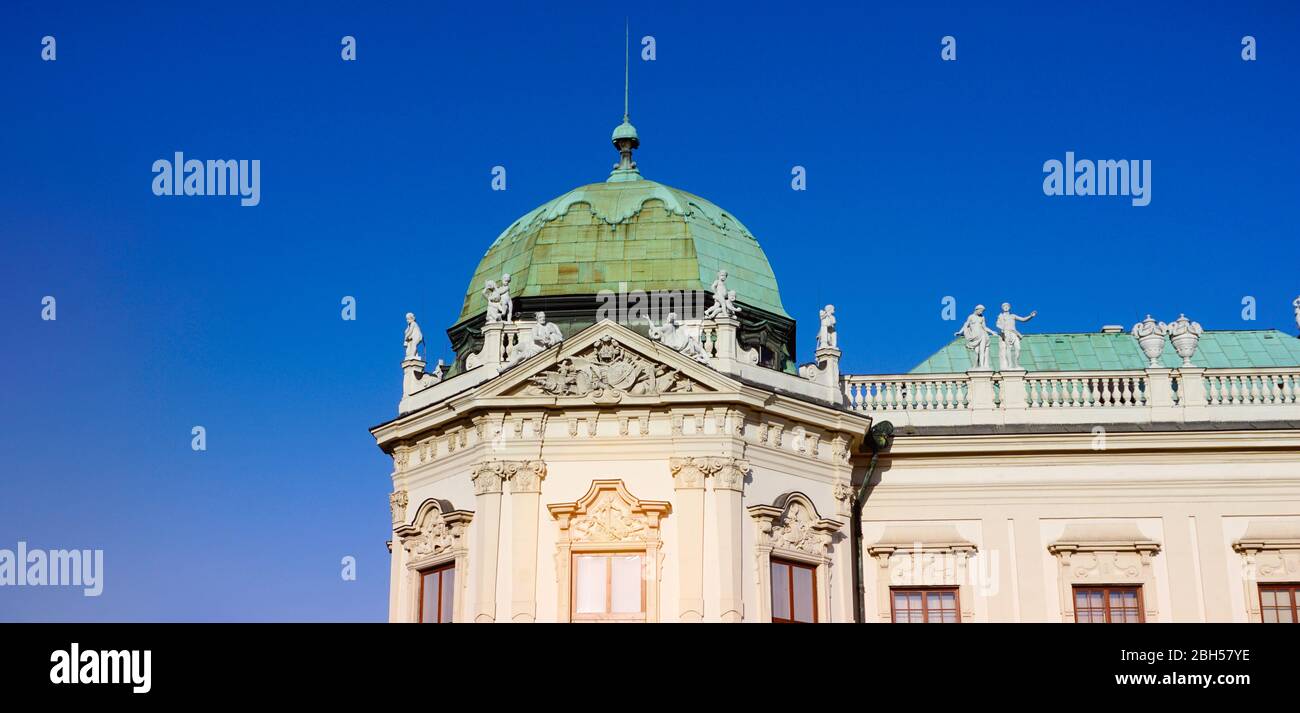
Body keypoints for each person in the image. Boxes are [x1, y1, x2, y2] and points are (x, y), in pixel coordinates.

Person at [996, 303, 1037, 369]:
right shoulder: (1001, 316)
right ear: (1002, 308)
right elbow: (998, 325)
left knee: (1018, 348)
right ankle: (1010, 365)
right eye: (1004, 306)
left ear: (1009, 307)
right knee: (1008, 349)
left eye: (1007, 306)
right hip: (1007, 333)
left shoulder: (1013, 316)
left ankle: (1016, 364)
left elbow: (1023, 319)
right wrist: (1002, 330)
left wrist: (1031, 316)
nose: (1006, 307)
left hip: (1014, 333)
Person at [957, 305, 997, 369]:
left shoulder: (982, 317)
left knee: (982, 351)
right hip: (975, 336)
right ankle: (976, 365)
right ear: (977, 309)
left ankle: (982, 366)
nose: (981, 312)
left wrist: (992, 332)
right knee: (976, 351)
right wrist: (960, 332)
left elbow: (984, 327)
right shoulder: (971, 317)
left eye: (982, 311)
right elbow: (966, 325)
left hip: (982, 334)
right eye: (981, 311)